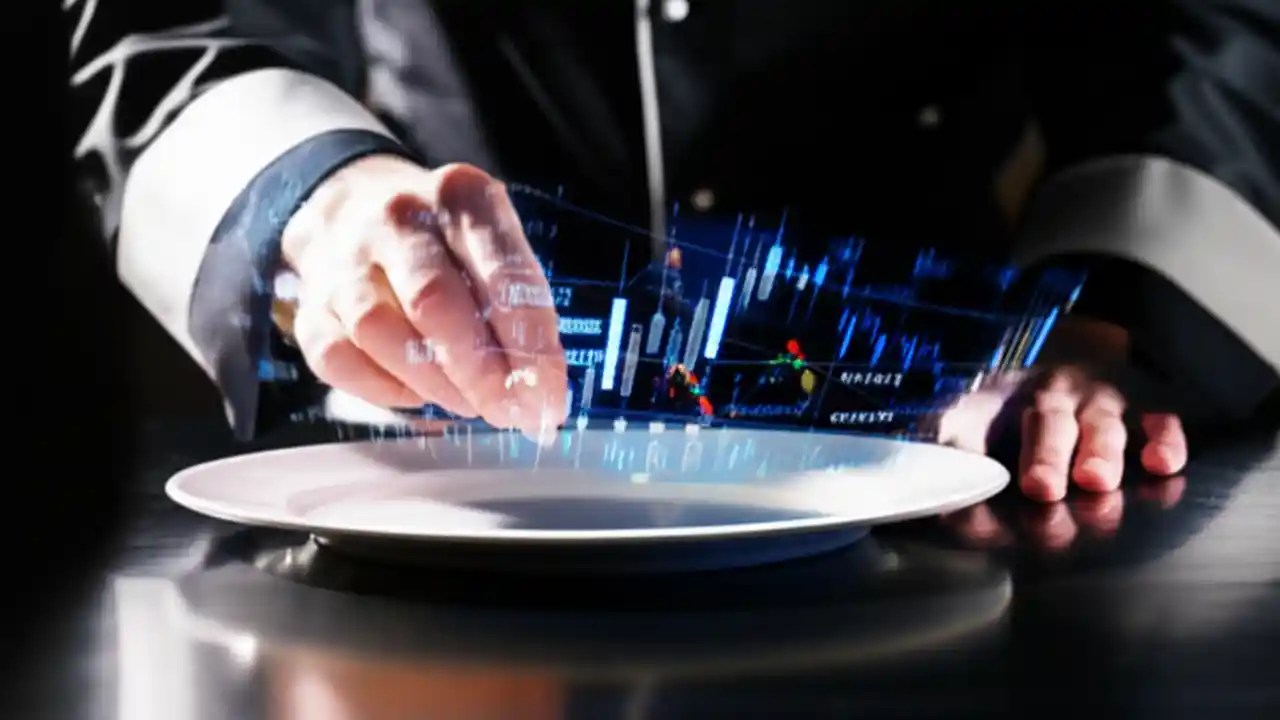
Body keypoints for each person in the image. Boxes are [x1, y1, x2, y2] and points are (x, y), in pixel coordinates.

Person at [64, 1, 1278, 502]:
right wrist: (314, 201)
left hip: (956, 449)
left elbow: (1196, 20)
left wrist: (1111, 313)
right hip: (427, 470)